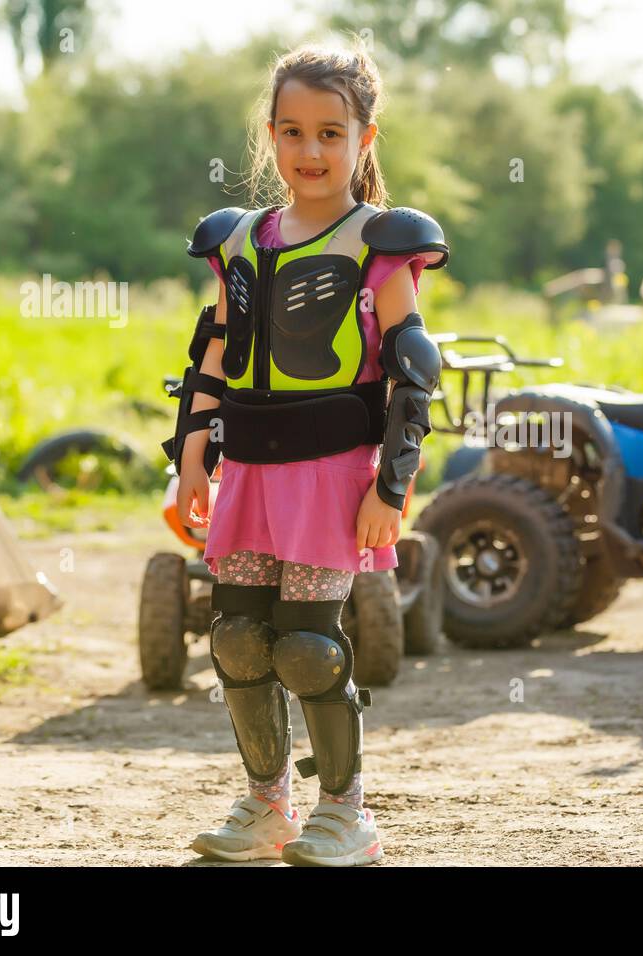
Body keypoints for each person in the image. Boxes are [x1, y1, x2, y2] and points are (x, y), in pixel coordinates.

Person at [165, 35, 448, 866]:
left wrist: (391, 490)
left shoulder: (382, 242)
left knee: (307, 647)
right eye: (291, 131)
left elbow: (413, 378)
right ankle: (265, 807)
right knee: (237, 642)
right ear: (270, 134)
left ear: (364, 137)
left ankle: (346, 812)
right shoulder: (239, 240)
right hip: (249, 472)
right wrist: (192, 462)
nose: (310, 149)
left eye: (330, 132)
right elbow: (211, 359)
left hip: (333, 478)